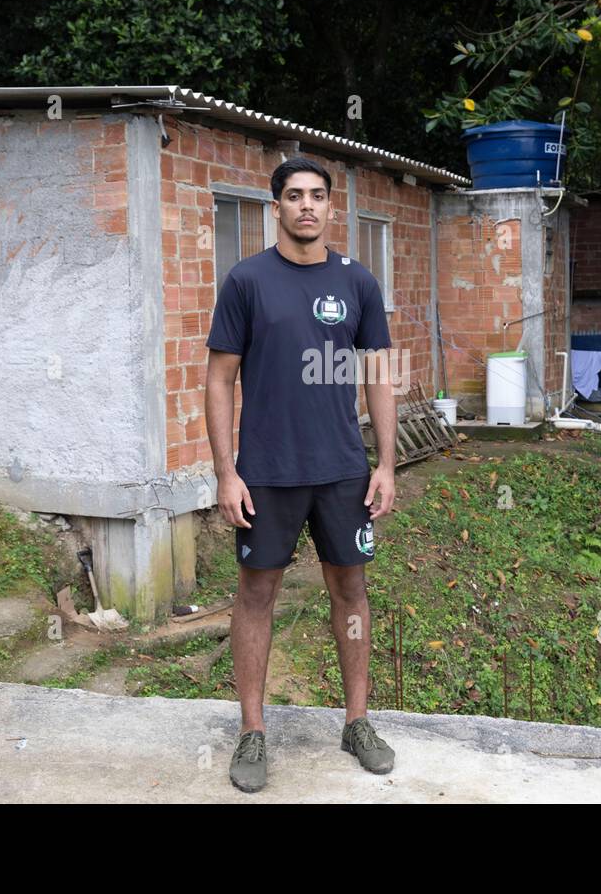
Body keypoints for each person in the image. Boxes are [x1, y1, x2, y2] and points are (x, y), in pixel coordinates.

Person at [204, 158, 398, 793]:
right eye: (294, 196)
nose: (306, 206)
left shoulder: (359, 283)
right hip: (267, 474)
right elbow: (219, 380)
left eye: (317, 196)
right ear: (276, 207)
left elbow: (378, 378)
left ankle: (358, 722)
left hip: (342, 472)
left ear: (331, 207)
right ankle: (253, 732)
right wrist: (227, 473)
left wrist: (388, 464)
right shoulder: (246, 282)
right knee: (256, 596)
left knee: (351, 594)